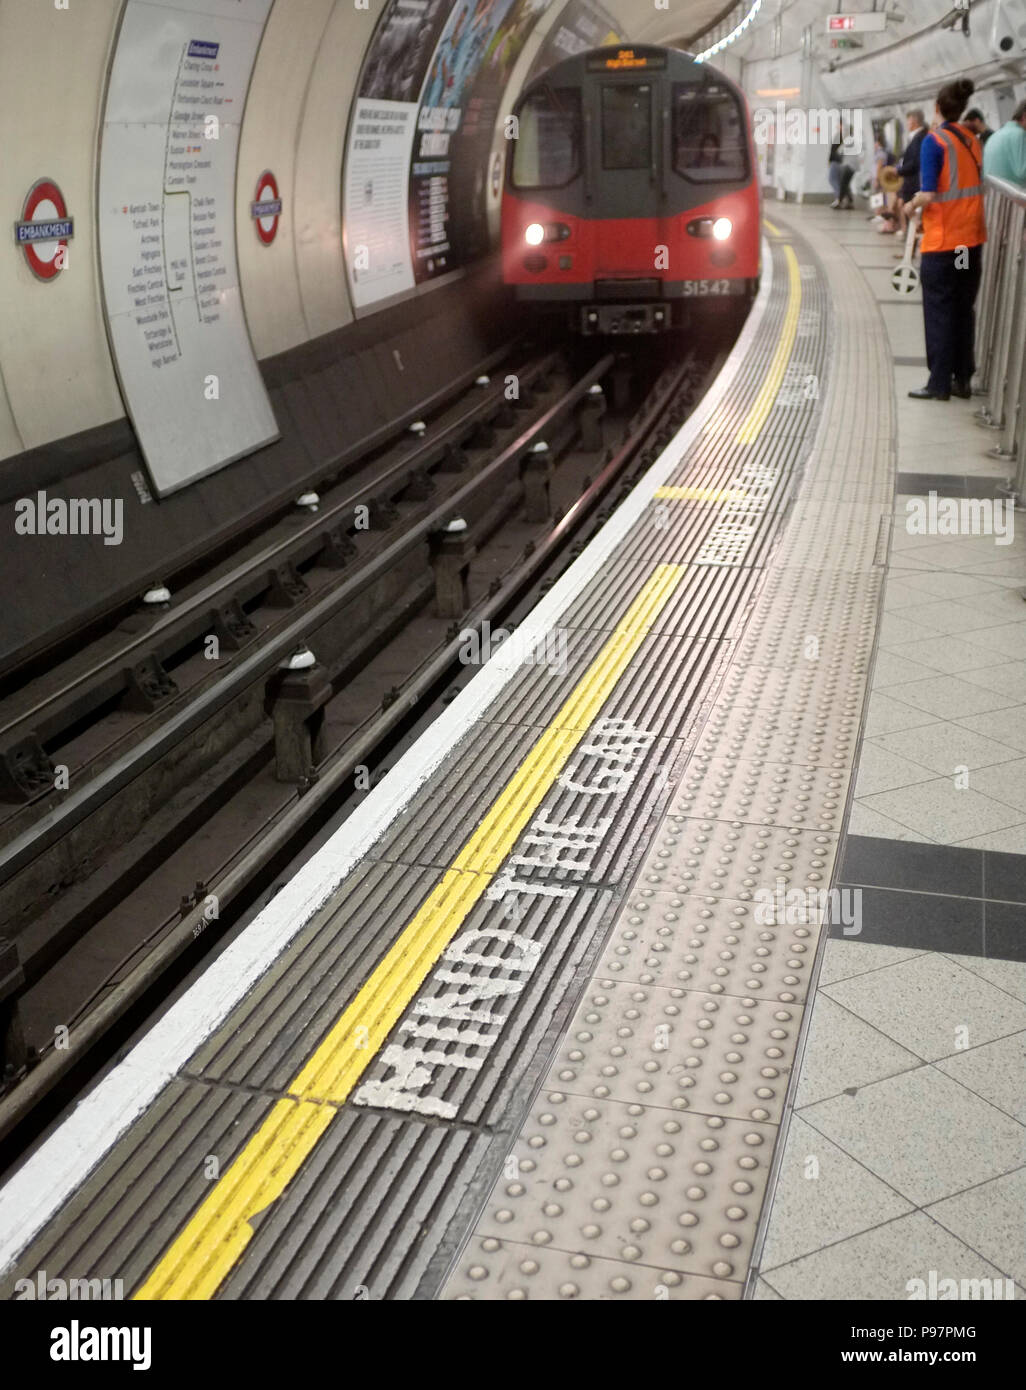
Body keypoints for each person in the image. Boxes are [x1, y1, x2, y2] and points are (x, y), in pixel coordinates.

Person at [903, 78, 986, 401]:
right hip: (967, 245)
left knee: (939, 308)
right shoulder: (971, 140)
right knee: (963, 307)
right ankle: (962, 379)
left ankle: (938, 383)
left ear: (937, 108)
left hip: (943, 246)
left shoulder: (934, 142)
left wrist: (910, 206)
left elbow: (928, 193)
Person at [894, 108, 927, 242]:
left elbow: (914, 163)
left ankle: (911, 240)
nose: (907, 123)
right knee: (906, 209)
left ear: (914, 121)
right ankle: (910, 237)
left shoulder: (919, 138)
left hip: (913, 183)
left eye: (908, 120)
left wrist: (899, 171)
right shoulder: (917, 137)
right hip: (911, 181)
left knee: (910, 211)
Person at [983, 99, 1026, 187]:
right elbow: (1023, 172)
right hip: (1013, 194)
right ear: (1024, 116)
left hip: (995, 193)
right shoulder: (1019, 134)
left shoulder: (995, 135)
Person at [828, 129, 855, 209]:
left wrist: (831, 159)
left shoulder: (844, 139)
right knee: (844, 183)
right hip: (846, 164)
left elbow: (837, 151)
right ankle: (848, 200)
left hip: (840, 163)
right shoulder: (850, 141)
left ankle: (840, 199)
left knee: (834, 180)